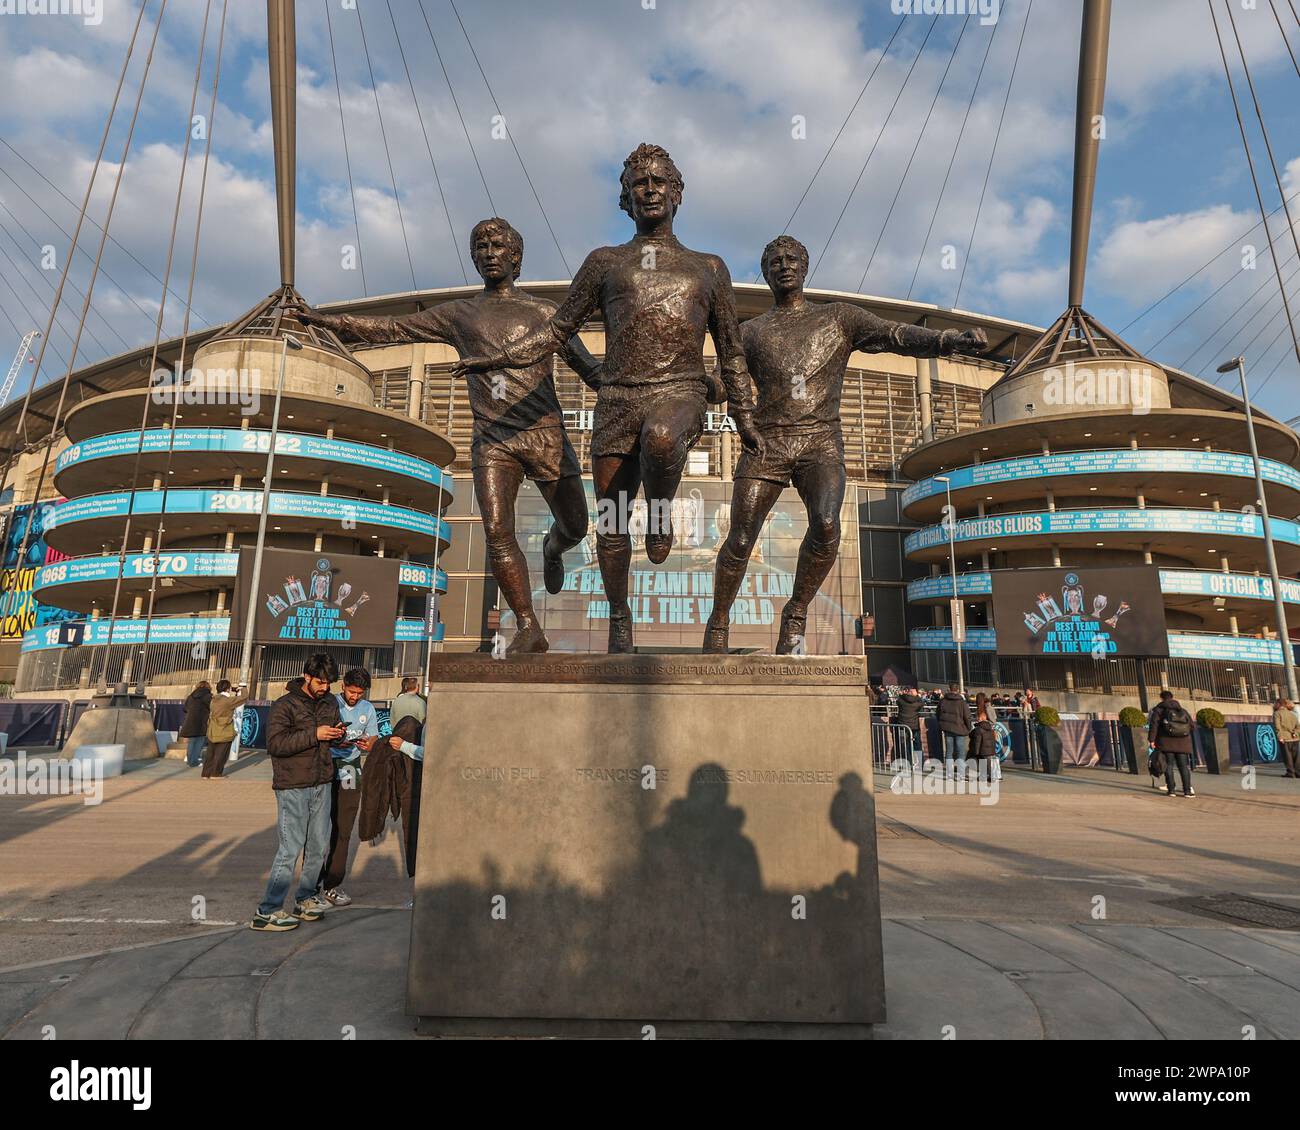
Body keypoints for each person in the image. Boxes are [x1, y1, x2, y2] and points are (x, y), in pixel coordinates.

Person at [453, 144, 764, 653]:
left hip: (679, 390)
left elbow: (731, 350)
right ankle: (620, 621)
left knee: (662, 440)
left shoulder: (708, 267)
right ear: (625, 199)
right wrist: (495, 360)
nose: (649, 189)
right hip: (618, 398)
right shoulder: (605, 262)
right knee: (612, 522)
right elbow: (557, 331)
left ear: (678, 193)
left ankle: (660, 514)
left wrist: (743, 413)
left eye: (660, 181)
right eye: (638, 184)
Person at [299, 218, 600, 655]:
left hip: (544, 435)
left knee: (576, 525)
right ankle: (529, 626)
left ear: (516, 257)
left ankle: (553, 549)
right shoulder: (460, 314)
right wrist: (326, 322)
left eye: (498, 245)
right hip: (493, 440)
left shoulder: (545, 313)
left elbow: (590, 370)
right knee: (497, 530)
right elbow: (393, 330)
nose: (489, 252)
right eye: (480, 246)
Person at [705, 234, 984, 653]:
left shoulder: (839, 318)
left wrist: (946, 341)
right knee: (741, 538)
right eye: (775, 260)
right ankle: (719, 621)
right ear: (764, 274)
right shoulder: (750, 332)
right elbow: (724, 384)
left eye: (792, 258)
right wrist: (690, 386)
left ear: (805, 266)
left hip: (821, 442)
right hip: (767, 443)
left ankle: (795, 612)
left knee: (827, 524)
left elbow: (895, 335)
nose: (784, 265)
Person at [251, 653, 344, 932]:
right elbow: (276, 744)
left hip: (322, 781)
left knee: (317, 847)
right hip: (292, 785)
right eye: (320, 681)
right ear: (307, 676)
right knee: (290, 848)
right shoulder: (284, 705)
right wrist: (315, 734)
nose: (325, 687)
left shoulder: (329, 702)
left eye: (329, 683)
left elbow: (330, 736)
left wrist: (341, 736)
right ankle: (267, 911)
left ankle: (304, 899)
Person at [318, 667, 381, 907]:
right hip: (325, 764)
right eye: (351, 691)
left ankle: (332, 885)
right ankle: (311, 887)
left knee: (343, 829)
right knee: (317, 829)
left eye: (359, 693)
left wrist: (368, 744)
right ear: (342, 686)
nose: (354, 697)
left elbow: (373, 736)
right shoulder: (329, 702)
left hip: (350, 768)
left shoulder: (368, 708)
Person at [1147, 689, 1195, 798]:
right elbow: (1192, 726)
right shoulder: (1183, 710)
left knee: (1168, 766)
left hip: (1166, 742)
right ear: (1172, 697)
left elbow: (1154, 726)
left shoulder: (1159, 710)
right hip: (1182, 743)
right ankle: (1187, 791)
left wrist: (1151, 740)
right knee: (1183, 767)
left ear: (1162, 698)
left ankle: (1171, 790)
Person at [203, 679, 248, 779]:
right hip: (224, 729)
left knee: (211, 753)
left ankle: (206, 774)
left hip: (213, 729)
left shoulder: (213, 699)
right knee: (221, 754)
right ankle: (216, 774)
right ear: (228, 689)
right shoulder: (228, 701)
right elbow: (244, 698)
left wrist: (233, 692)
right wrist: (243, 688)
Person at [937, 683, 972, 779]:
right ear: (957, 690)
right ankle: (961, 774)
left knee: (949, 751)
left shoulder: (943, 701)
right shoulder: (962, 702)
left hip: (947, 728)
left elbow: (938, 714)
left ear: (949, 689)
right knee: (961, 752)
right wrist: (968, 728)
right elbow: (967, 716)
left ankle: (949, 774)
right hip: (960, 728)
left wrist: (942, 724)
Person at [178, 680, 212, 768]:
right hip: (201, 721)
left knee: (192, 742)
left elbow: (185, 708)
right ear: (208, 687)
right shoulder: (208, 696)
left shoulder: (191, 696)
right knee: (199, 742)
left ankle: (190, 760)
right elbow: (212, 707)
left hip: (190, 721)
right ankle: (194, 761)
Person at [969, 692, 999, 784]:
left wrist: (984, 722)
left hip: (987, 731)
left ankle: (991, 775)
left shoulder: (987, 707)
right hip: (982, 731)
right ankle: (984, 775)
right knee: (982, 754)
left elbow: (993, 720)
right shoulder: (982, 707)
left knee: (987, 755)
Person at [895, 686, 924, 763]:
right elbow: (922, 704)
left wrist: (903, 694)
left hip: (903, 725)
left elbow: (898, 700)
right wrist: (917, 696)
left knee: (905, 745)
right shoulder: (917, 703)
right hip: (914, 726)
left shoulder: (901, 701)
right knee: (917, 745)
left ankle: (909, 762)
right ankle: (921, 762)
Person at [1272, 697, 1300, 778]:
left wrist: (1279, 737)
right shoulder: (1292, 714)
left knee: (1287, 756)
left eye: (1275, 703)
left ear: (1279, 704)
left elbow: (1277, 727)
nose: (1274, 705)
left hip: (1285, 738)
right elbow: (1298, 727)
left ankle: (1291, 773)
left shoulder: (1277, 713)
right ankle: (1298, 772)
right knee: (1296, 756)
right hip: (1295, 738)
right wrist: (1295, 733)